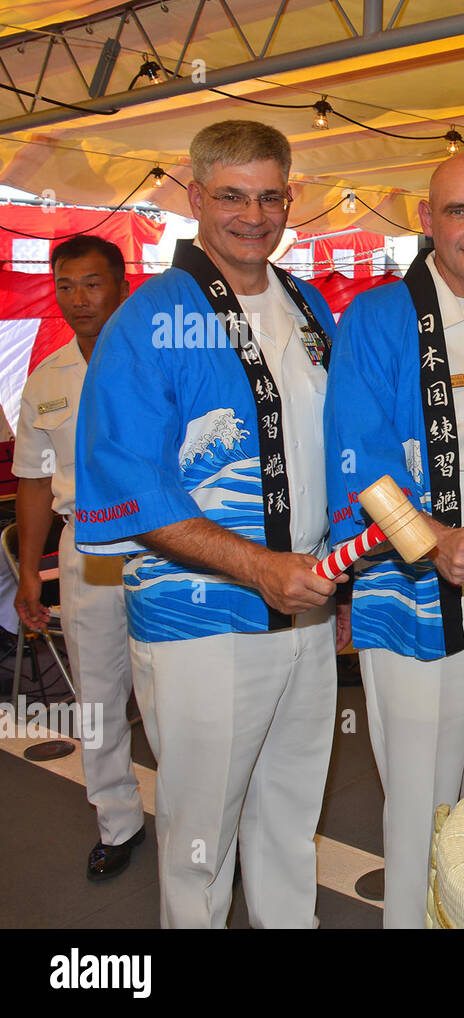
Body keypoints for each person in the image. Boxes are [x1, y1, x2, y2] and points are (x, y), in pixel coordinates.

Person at [75, 121, 344, 928]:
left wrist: (338, 584)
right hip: (202, 623)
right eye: (231, 195)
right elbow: (128, 488)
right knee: (199, 843)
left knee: (292, 822)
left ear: (290, 198)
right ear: (195, 197)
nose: (253, 215)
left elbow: (328, 453)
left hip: (306, 606)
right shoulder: (147, 321)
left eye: (270, 195)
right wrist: (258, 567)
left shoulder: (305, 304)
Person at [324, 151, 464, 928]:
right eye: (458, 211)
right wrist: (431, 539)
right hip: (418, 580)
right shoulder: (379, 316)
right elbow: (359, 454)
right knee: (422, 799)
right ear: (427, 219)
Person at [14, 235, 142, 882]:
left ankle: (194, 824)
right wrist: (29, 576)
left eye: (92, 284)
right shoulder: (47, 379)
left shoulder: (158, 361)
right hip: (84, 549)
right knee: (96, 698)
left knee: (172, 696)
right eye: (65, 286)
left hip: (161, 547)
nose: (78, 299)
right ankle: (117, 823)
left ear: (123, 284)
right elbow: (34, 480)